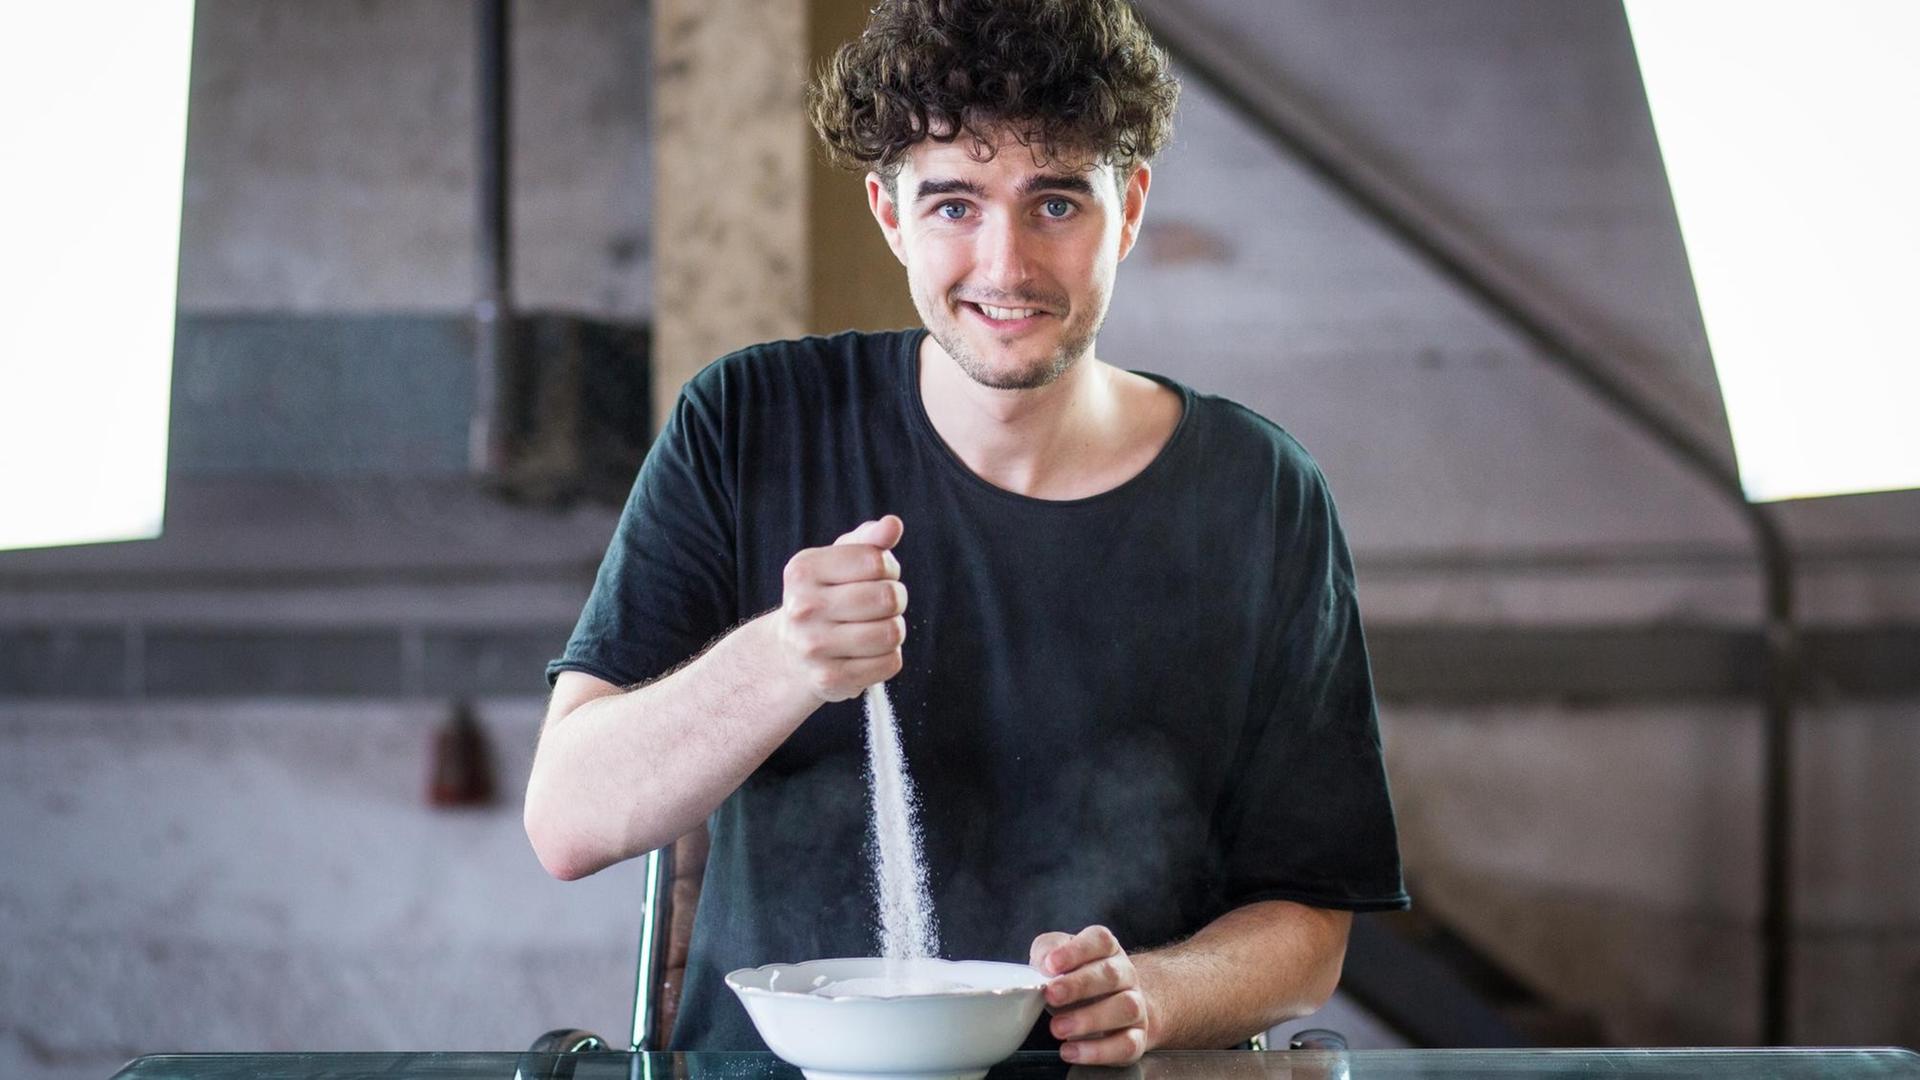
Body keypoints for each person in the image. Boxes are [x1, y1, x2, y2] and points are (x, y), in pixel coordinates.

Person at [524, 0, 1407, 1063]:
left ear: (1128, 208)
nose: (1006, 264)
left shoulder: (1259, 492)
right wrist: (779, 658)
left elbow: (1310, 925)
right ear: (889, 215)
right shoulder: (751, 421)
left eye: (1055, 203)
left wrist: (1155, 993)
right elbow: (569, 821)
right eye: (953, 205)